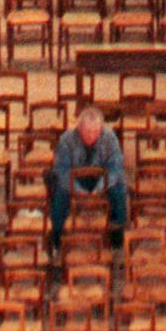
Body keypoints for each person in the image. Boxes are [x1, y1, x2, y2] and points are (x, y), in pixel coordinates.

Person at [48, 96, 130, 249]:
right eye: (87, 131)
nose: (91, 135)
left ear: (101, 129)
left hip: (102, 180)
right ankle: (58, 239)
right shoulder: (67, 139)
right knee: (60, 192)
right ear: (79, 128)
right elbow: (62, 170)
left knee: (119, 189)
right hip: (75, 181)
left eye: (95, 131)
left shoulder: (110, 138)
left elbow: (116, 167)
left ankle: (116, 237)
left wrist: (100, 188)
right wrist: (78, 190)